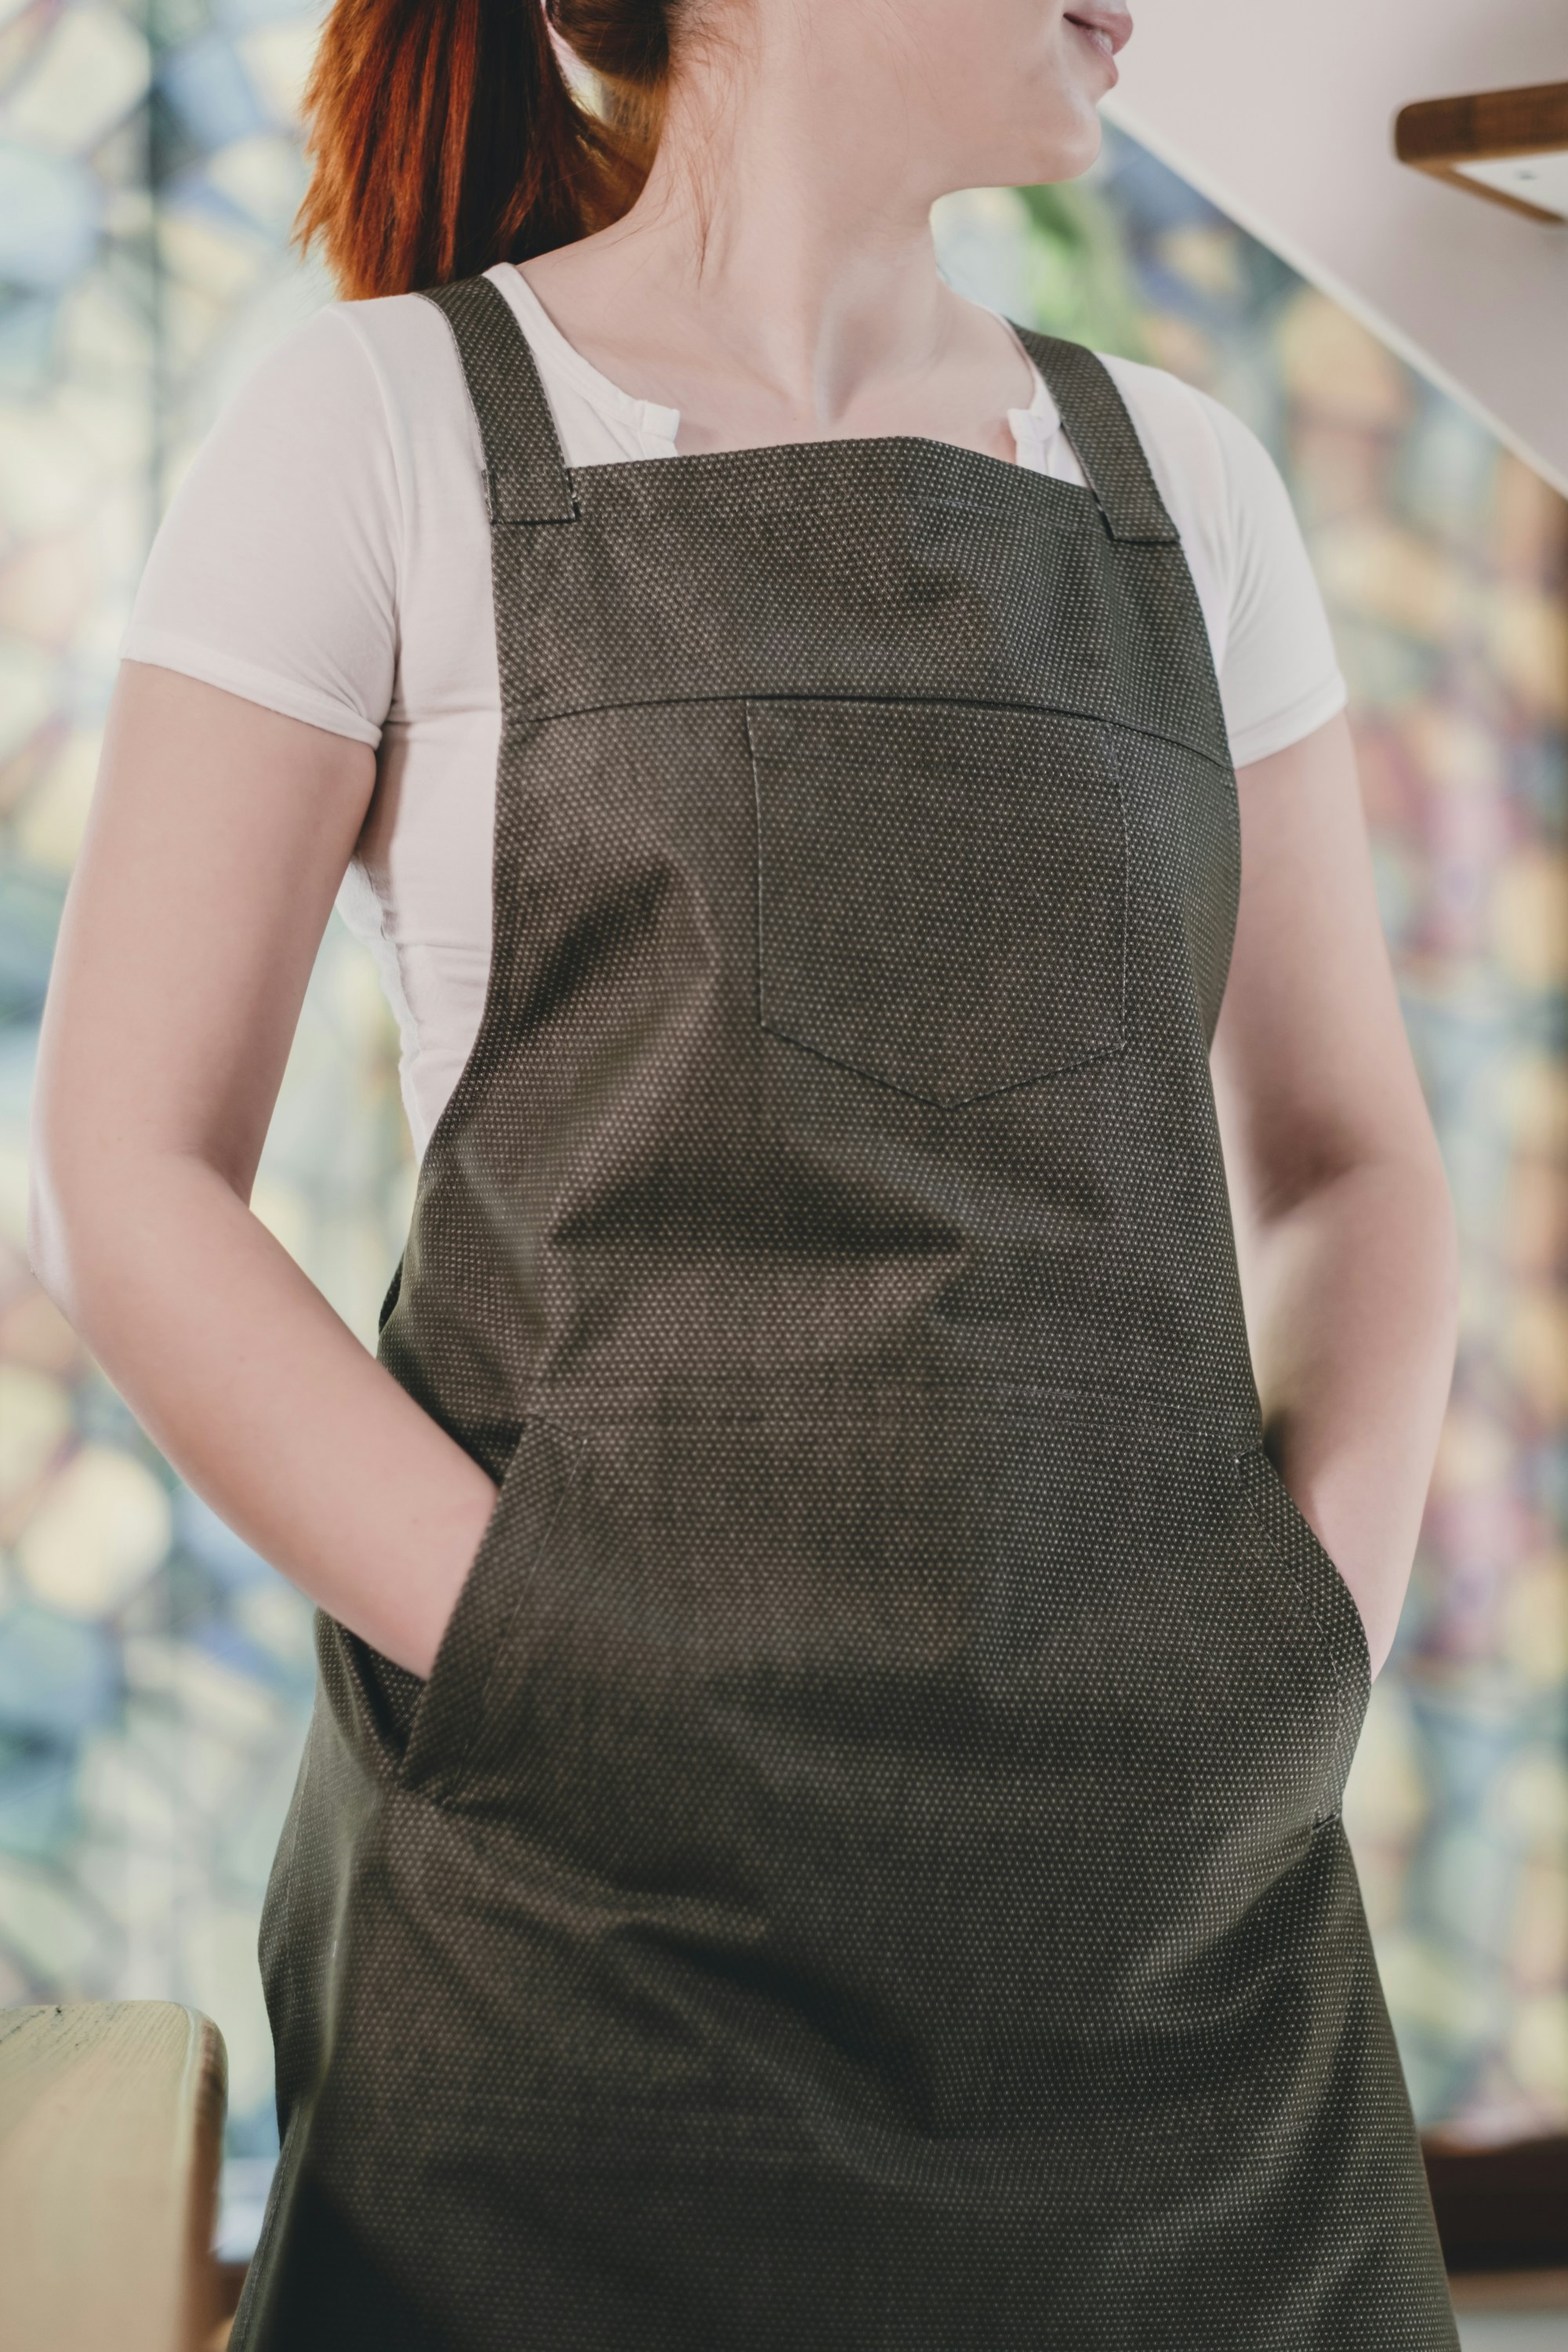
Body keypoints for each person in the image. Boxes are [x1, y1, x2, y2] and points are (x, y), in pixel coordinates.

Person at [29, 0, 1462, 2342]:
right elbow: (120, 1171)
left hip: (1172, 1946)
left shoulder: (1179, 482)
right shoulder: (385, 429)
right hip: (590, 1960)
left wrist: (1307, 1643)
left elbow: (1352, 1162)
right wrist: (545, 1657)